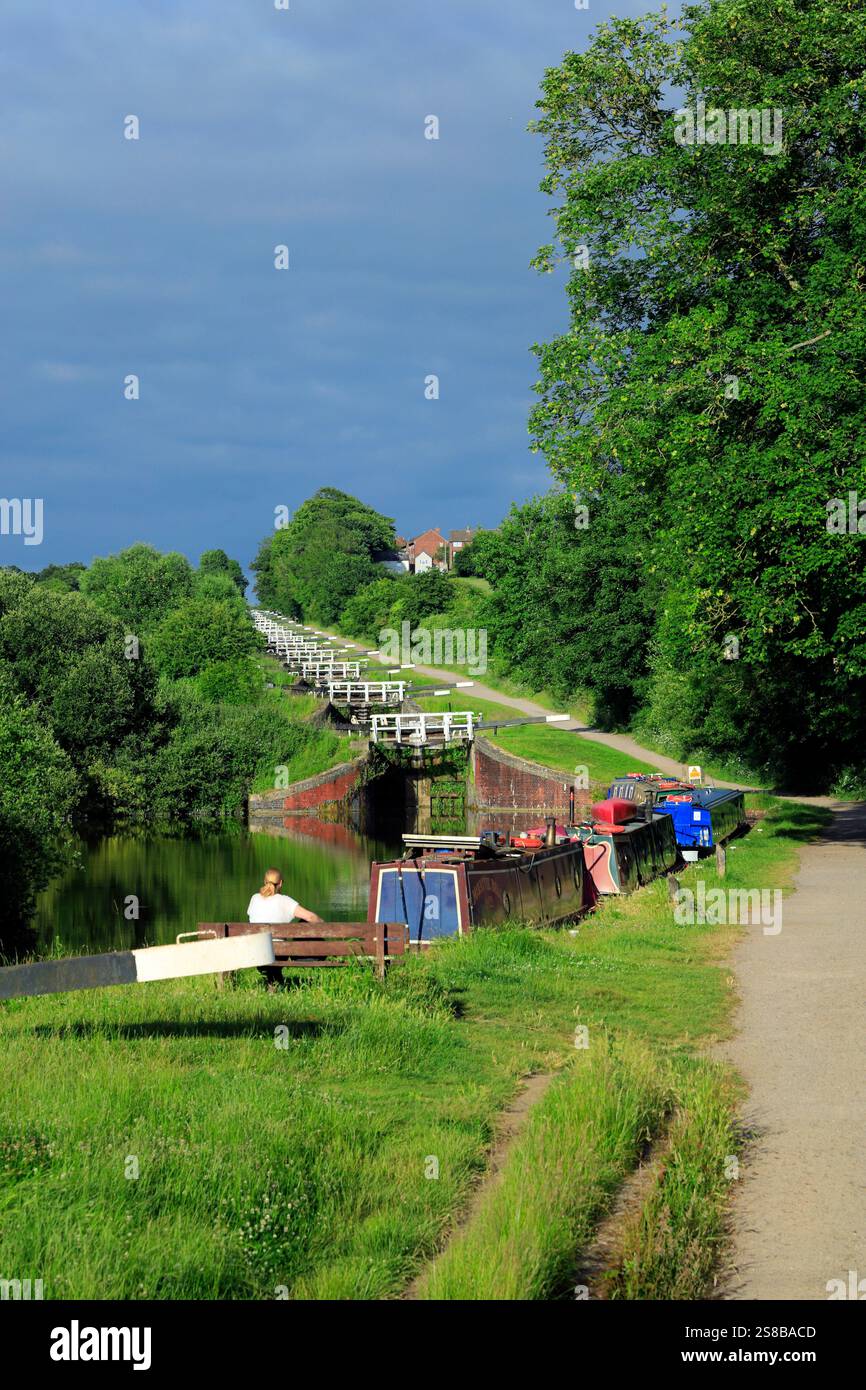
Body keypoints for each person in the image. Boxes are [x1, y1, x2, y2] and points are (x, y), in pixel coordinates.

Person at [247, 868, 322, 925]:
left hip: (255, 944)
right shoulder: (284, 900)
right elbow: (311, 917)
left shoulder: (255, 898)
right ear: (280, 883)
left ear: (264, 881)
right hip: (277, 945)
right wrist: (324, 924)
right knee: (305, 922)